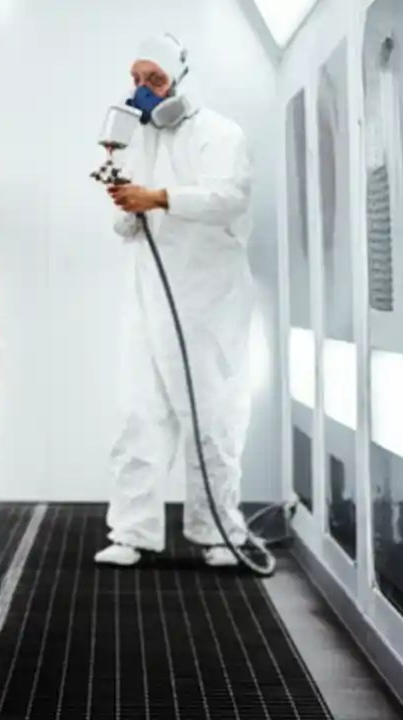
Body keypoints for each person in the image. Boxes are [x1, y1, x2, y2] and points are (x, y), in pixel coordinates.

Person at [96, 33, 254, 568]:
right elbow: (127, 225)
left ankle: (219, 533)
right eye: (136, 79)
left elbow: (229, 197)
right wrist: (125, 201)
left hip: (210, 296)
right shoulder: (143, 142)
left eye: (154, 80)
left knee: (212, 413)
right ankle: (133, 532)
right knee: (138, 411)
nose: (143, 90)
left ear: (181, 79)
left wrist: (159, 197)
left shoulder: (219, 134)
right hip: (149, 294)